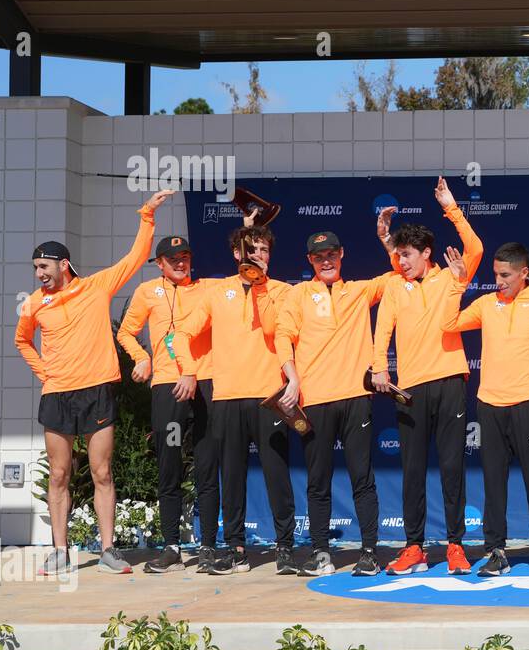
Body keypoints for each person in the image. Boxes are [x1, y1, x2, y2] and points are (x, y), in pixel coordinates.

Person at [16, 189, 174, 576]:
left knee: (102, 472)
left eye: (44, 266)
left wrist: (147, 215)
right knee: (59, 474)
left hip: (97, 391)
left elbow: (136, 257)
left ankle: (107, 550)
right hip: (56, 394)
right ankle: (59, 551)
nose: (39, 274)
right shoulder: (35, 303)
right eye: (36, 267)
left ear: (63, 264)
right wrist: (45, 372)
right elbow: (22, 340)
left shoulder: (97, 287)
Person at [371, 177, 483, 576]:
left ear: (425, 254)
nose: (401, 262)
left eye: (406, 256)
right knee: (412, 469)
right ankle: (414, 546)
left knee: (452, 467)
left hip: (451, 381)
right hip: (410, 389)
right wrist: (379, 367)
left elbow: (476, 249)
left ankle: (455, 545)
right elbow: (382, 329)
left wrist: (451, 206)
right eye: (398, 256)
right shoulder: (395, 286)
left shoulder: (453, 275)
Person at [444, 242, 529, 578]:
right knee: (493, 483)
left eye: (505, 275)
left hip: (528, 403)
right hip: (489, 405)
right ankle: (496, 552)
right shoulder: (487, 304)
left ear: (523, 274)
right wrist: (458, 283)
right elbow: (449, 323)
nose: (498, 280)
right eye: (495, 274)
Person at [172, 219, 294, 575]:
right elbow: (181, 334)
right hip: (225, 397)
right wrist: (188, 369)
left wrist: (259, 285)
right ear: (236, 254)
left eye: (263, 250)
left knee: (276, 473)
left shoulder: (282, 291)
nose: (257, 256)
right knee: (233, 476)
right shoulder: (216, 292)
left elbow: (273, 329)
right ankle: (236, 546)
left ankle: (285, 547)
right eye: (250, 250)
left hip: (268, 394)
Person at [276, 229, 400, 578]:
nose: (325, 260)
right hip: (313, 400)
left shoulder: (359, 291)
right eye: (318, 256)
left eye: (331, 254)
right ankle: (320, 553)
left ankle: (370, 552)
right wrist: (292, 378)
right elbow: (283, 336)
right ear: (309, 261)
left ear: (342, 254)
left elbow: (396, 274)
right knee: (318, 480)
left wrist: (386, 239)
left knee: (362, 476)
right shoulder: (298, 294)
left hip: (356, 397)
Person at [117, 234, 221, 574]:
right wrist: (141, 357)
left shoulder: (208, 289)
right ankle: (172, 547)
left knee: (206, 469)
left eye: (185, 256)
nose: (180, 262)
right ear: (159, 263)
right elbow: (126, 332)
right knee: (170, 467)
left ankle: (207, 547)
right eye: (172, 258)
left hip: (205, 383)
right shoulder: (148, 291)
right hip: (167, 387)